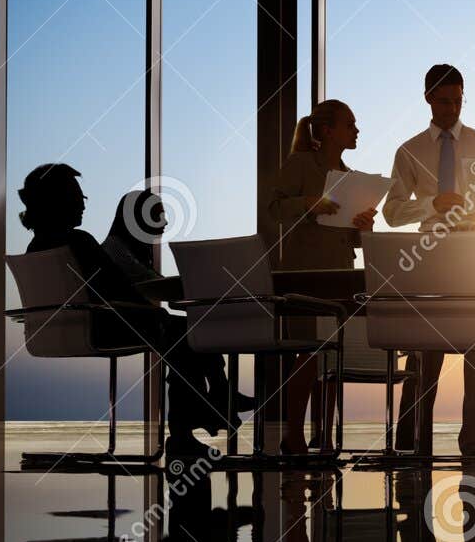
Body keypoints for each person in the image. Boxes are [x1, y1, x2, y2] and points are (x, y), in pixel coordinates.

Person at [19, 163, 239, 456]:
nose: (83, 205)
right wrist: (153, 312)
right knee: (187, 334)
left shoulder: (35, 248)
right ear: (56, 202)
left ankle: (205, 408)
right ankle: (188, 426)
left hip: (58, 332)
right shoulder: (78, 241)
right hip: (101, 329)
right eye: (77, 198)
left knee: (179, 332)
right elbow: (116, 287)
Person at [382, 65, 475, 457]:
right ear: (427, 99)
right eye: (443, 101)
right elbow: (392, 212)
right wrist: (431, 204)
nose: (452, 109)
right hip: (432, 249)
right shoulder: (409, 151)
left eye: (458, 100)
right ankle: (410, 443)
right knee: (424, 349)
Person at [264, 99, 376, 454]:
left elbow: (351, 237)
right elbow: (273, 208)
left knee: (331, 357)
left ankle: (324, 437)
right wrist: (308, 202)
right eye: (350, 124)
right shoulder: (301, 164)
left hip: (340, 274)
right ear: (328, 130)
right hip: (305, 273)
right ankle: (293, 434)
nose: (356, 130)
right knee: (310, 353)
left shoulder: (352, 178)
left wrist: (364, 227)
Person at [102, 191, 167, 285]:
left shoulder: (134, 251)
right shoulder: (114, 248)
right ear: (139, 217)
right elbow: (151, 282)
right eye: (157, 216)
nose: (165, 222)